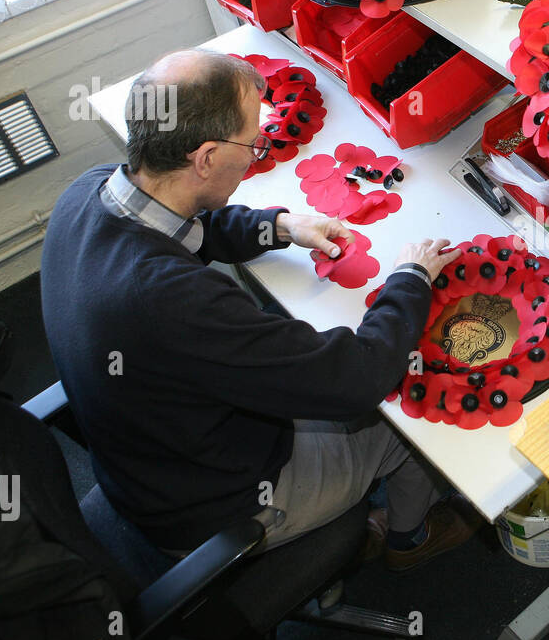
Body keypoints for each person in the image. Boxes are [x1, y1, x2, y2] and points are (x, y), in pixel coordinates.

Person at [40, 49, 470, 571]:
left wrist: (283, 226)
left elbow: (190, 225)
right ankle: (409, 539)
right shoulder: (173, 303)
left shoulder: (89, 191)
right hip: (219, 506)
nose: (253, 154)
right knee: (409, 417)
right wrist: (411, 278)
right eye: (251, 142)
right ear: (205, 158)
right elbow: (357, 378)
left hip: (148, 452)